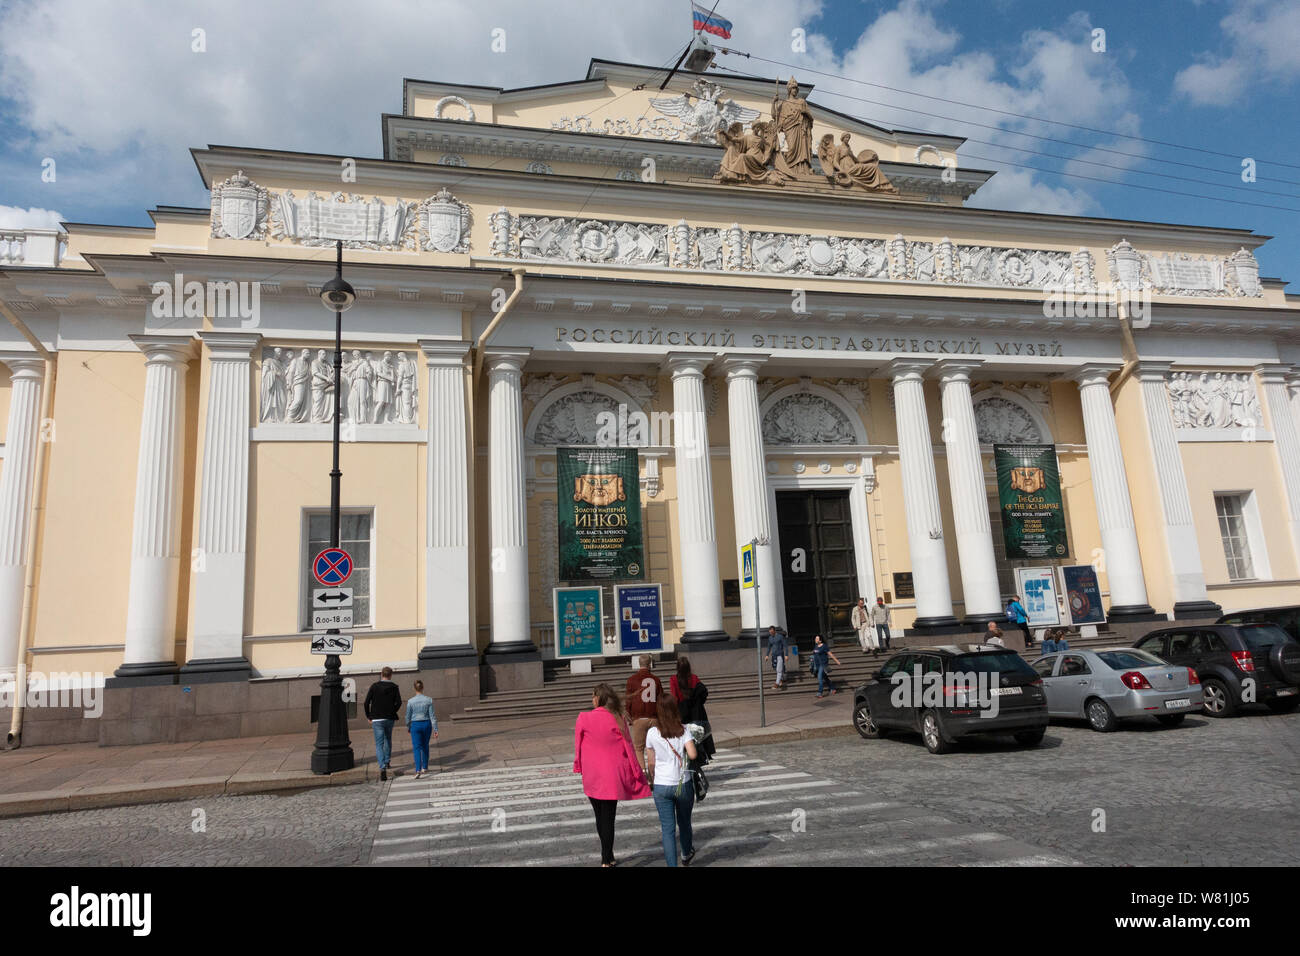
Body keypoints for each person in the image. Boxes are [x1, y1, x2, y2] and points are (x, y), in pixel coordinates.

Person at [573, 683, 650, 867]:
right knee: (608, 817)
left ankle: (607, 854)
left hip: (592, 775)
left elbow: (578, 746)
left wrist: (578, 765)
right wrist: (637, 771)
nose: (591, 699)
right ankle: (607, 857)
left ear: (598, 698)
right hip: (612, 775)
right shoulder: (618, 718)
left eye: (593, 696)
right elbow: (629, 747)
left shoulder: (584, 718)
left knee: (599, 816)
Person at [645, 695, 700, 866]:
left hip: (661, 785)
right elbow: (692, 755)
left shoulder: (652, 733)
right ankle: (685, 853)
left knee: (667, 830)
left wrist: (652, 779)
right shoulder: (683, 730)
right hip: (682, 783)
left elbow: (651, 763)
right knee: (684, 823)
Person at [671, 656, 715, 766]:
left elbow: (674, 698)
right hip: (696, 713)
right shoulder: (694, 678)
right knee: (697, 740)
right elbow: (701, 693)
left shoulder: (674, 679)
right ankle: (699, 762)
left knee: (684, 741)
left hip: (682, 714)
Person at [624, 655, 662, 773]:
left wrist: (629, 715)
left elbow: (628, 700)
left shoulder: (632, 680)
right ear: (650, 664)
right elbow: (661, 699)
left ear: (639, 664)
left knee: (639, 748)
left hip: (639, 717)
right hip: (654, 716)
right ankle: (653, 775)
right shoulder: (656, 679)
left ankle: (643, 772)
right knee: (653, 747)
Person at [363, 666, 402, 781]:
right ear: (391, 675)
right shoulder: (394, 687)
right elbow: (399, 702)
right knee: (388, 739)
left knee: (379, 743)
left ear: (381, 674)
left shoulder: (374, 686)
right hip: (389, 718)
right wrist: (392, 710)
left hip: (377, 719)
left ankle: (382, 767)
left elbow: (366, 703)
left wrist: (369, 716)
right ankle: (387, 761)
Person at [404, 679, 437, 779]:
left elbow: (407, 716)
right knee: (425, 745)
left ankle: (418, 769)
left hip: (415, 725)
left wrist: (408, 726)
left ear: (414, 688)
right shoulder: (429, 700)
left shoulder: (410, 701)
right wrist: (435, 729)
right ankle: (425, 767)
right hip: (426, 724)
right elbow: (432, 716)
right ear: (422, 688)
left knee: (417, 748)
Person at [764, 624, 788, 689]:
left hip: (780, 655)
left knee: (778, 670)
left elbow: (785, 645)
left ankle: (776, 683)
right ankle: (783, 677)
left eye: (772, 632)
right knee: (775, 667)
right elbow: (769, 647)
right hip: (773, 655)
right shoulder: (770, 638)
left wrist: (786, 655)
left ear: (774, 631)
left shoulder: (780, 637)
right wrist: (767, 655)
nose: (771, 633)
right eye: (770, 632)